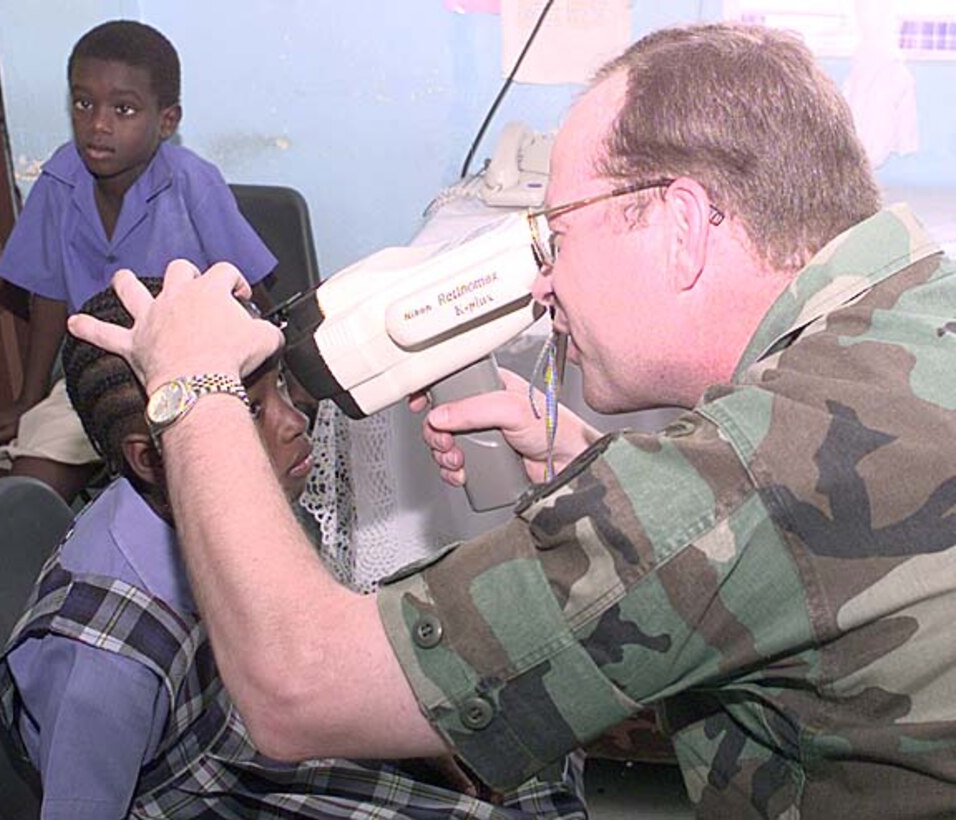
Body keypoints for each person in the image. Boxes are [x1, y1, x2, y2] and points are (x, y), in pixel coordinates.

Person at [67, 22, 956, 818]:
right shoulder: (920, 298)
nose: (544, 284)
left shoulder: (737, 482)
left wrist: (192, 383)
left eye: (558, 234)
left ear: (681, 225)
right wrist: (602, 471)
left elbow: (297, 687)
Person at [0, 280, 587, 819]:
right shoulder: (105, 657)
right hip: (204, 789)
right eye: (247, 408)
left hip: (259, 734)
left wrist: (429, 747)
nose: (294, 420)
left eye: (278, 385)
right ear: (150, 458)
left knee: (536, 733)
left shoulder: (241, 506)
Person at [0, 19, 276, 502]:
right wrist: (27, 400)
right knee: (24, 494)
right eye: (83, 103)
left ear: (167, 121)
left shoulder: (192, 183)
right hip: (96, 381)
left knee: (201, 494)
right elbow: (49, 296)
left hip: (193, 373)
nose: (98, 124)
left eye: (123, 109)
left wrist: (273, 387)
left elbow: (252, 297)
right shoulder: (59, 179)